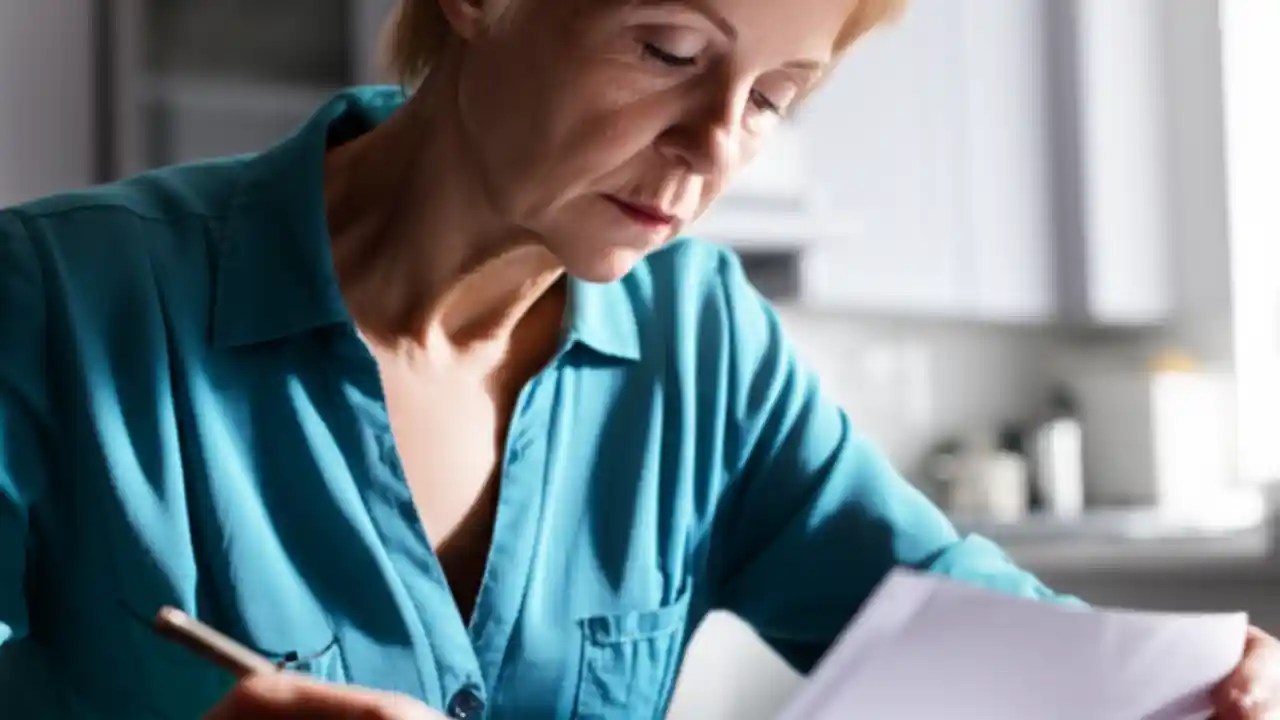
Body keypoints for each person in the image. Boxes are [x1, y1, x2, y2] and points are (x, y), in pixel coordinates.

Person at [0, 0, 1275, 717]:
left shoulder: (704, 344)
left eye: (772, 98)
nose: (716, 144)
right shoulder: (53, 301)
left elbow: (974, 634)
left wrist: (1196, 688)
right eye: (668, 51)